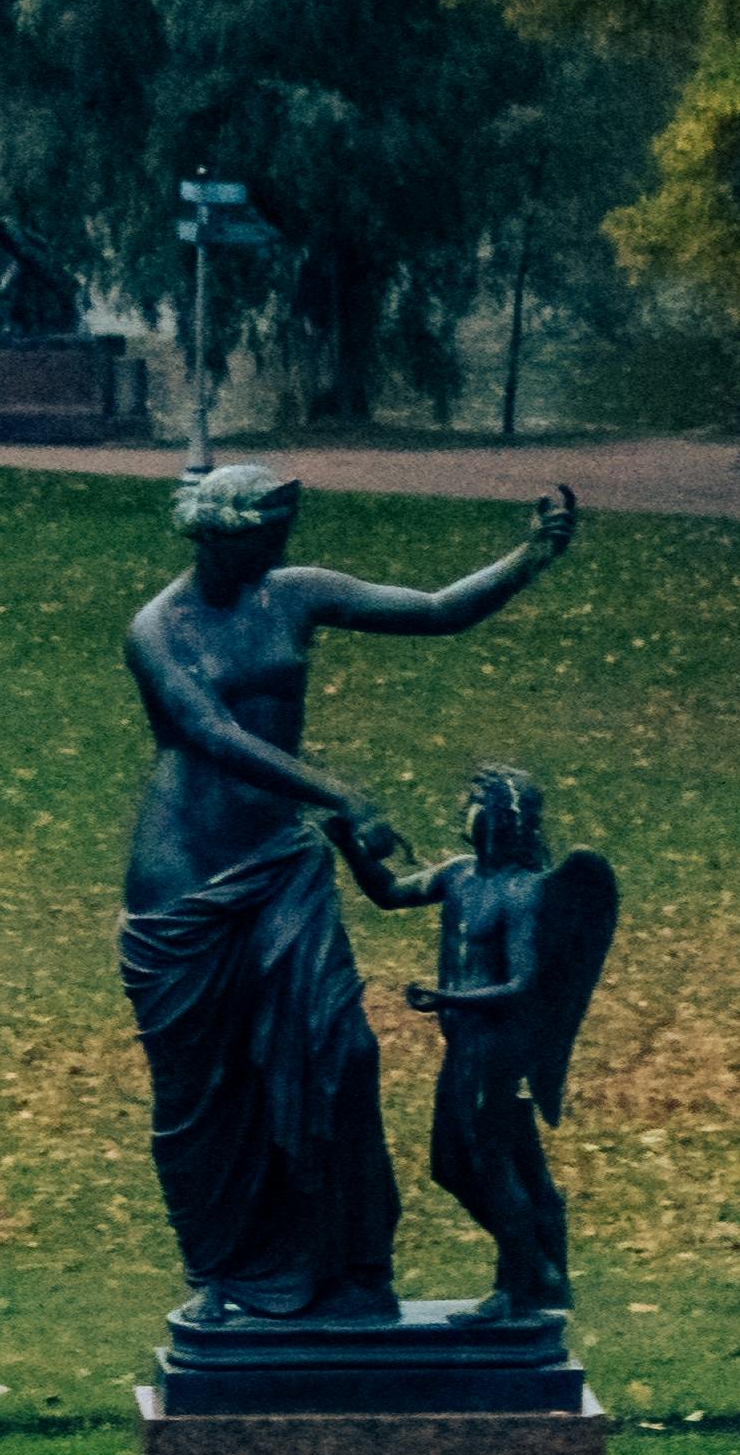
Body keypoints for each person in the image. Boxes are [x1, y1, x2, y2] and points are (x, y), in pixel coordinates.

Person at [115, 465, 575, 1330]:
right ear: (222, 535)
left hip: (281, 861)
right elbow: (209, 734)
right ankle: (220, 1272)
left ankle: (352, 1268)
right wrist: (339, 794)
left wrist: (531, 556)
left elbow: (436, 609)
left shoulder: (292, 595)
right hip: (184, 876)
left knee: (340, 1055)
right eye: (268, 538)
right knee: (205, 1090)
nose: (283, 553)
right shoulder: (157, 629)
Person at [381, 765, 620, 1322]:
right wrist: (346, 839)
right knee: (459, 1164)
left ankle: (519, 1285)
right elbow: (390, 893)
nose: (465, 811)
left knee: (489, 1166)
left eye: (474, 802)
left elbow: (523, 983)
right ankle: (538, 1269)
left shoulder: (523, 893)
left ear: (499, 817)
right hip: (465, 1049)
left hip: (496, 1050)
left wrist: (447, 998)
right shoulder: (461, 876)